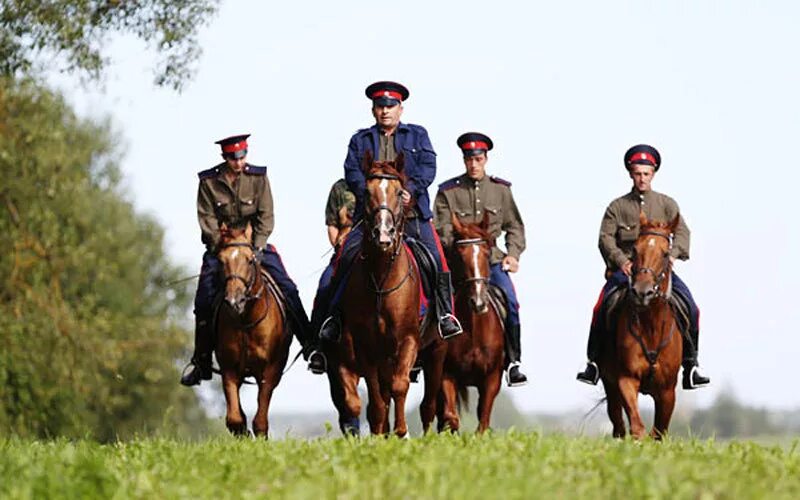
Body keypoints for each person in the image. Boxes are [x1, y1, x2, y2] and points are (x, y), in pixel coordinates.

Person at [310, 81, 463, 342]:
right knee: (342, 262)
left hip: (413, 216)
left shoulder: (418, 135)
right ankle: (333, 319)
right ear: (373, 111)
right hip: (369, 218)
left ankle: (445, 317)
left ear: (400, 109)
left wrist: (410, 191)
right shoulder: (360, 140)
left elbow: (428, 166)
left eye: (391, 106)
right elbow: (352, 172)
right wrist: (371, 192)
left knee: (438, 262)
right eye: (380, 106)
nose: (385, 111)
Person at [181, 134, 326, 386]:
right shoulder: (208, 182)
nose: (238, 162)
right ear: (224, 157)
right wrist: (222, 244)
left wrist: (256, 246)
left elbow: (265, 215)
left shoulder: (258, 178)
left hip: (255, 246)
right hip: (223, 249)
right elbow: (207, 220)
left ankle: (310, 346)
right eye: (232, 157)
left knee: (288, 289)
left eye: (242, 156)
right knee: (203, 298)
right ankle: (200, 360)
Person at [575, 144, 711, 390]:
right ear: (630, 174)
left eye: (646, 173)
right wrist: (621, 261)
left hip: (659, 272)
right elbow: (605, 238)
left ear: (654, 173)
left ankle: (691, 365)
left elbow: (682, 232)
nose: (642, 178)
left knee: (691, 306)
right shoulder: (617, 207)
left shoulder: (667, 205)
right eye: (637, 173)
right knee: (601, 307)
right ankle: (593, 362)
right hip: (627, 271)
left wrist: (673, 256)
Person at [433, 132, 528, 387]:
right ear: (464, 161)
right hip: (458, 263)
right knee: (433, 304)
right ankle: (424, 357)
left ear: (485, 159)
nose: (473, 164)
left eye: (478, 158)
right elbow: (441, 230)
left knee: (511, 302)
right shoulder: (448, 192)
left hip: (492, 262)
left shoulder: (501, 191)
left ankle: (514, 361)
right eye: (468, 159)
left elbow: (515, 227)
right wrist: (460, 246)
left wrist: (513, 254)